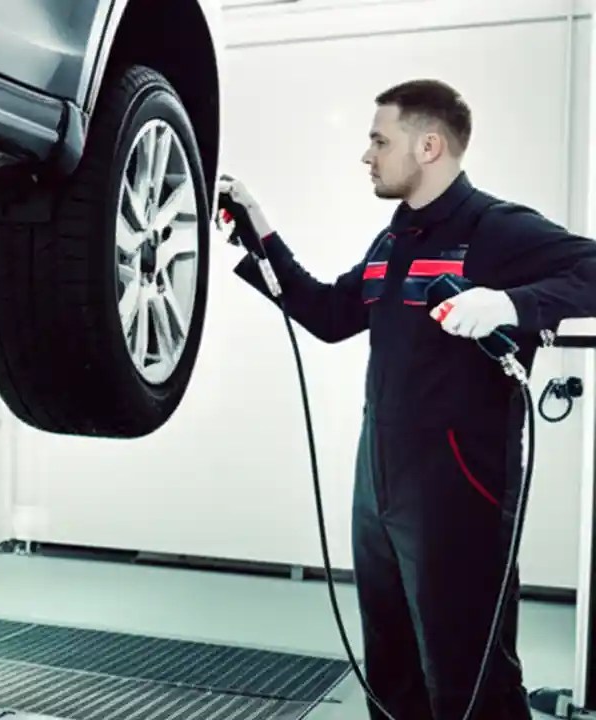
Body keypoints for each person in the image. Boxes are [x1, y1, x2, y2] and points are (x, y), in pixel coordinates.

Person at [219, 79, 596, 719]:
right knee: (390, 670)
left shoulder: (496, 229)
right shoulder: (392, 243)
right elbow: (327, 313)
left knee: (467, 676)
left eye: (378, 140)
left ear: (428, 145)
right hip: (380, 489)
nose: (367, 156)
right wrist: (260, 232)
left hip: (459, 491)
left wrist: (510, 304)